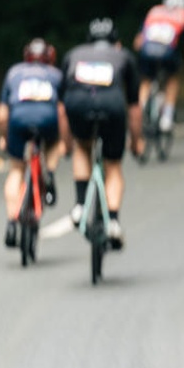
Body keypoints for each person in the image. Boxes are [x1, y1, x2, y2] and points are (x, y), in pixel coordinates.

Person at [60, 17, 143, 249]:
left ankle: (79, 205)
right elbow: (134, 108)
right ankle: (113, 221)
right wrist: (136, 141)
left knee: (82, 147)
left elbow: (61, 106)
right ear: (116, 42)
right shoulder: (123, 55)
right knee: (113, 165)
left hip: (77, 104)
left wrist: (66, 142)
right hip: (112, 106)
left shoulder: (74, 54)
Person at [0, 39, 66, 248]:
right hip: (48, 120)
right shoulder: (56, 75)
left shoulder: (14, 73)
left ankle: (11, 222)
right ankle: (50, 175)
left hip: (18, 121)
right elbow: (62, 111)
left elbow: (2, 115)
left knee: (16, 169)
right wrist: (65, 140)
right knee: (53, 143)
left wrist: (5, 138)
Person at [135, 0, 184, 140]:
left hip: (147, 51)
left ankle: (141, 110)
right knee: (172, 79)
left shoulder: (154, 11)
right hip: (167, 53)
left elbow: (137, 42)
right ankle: (167, 118)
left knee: (146, 80)